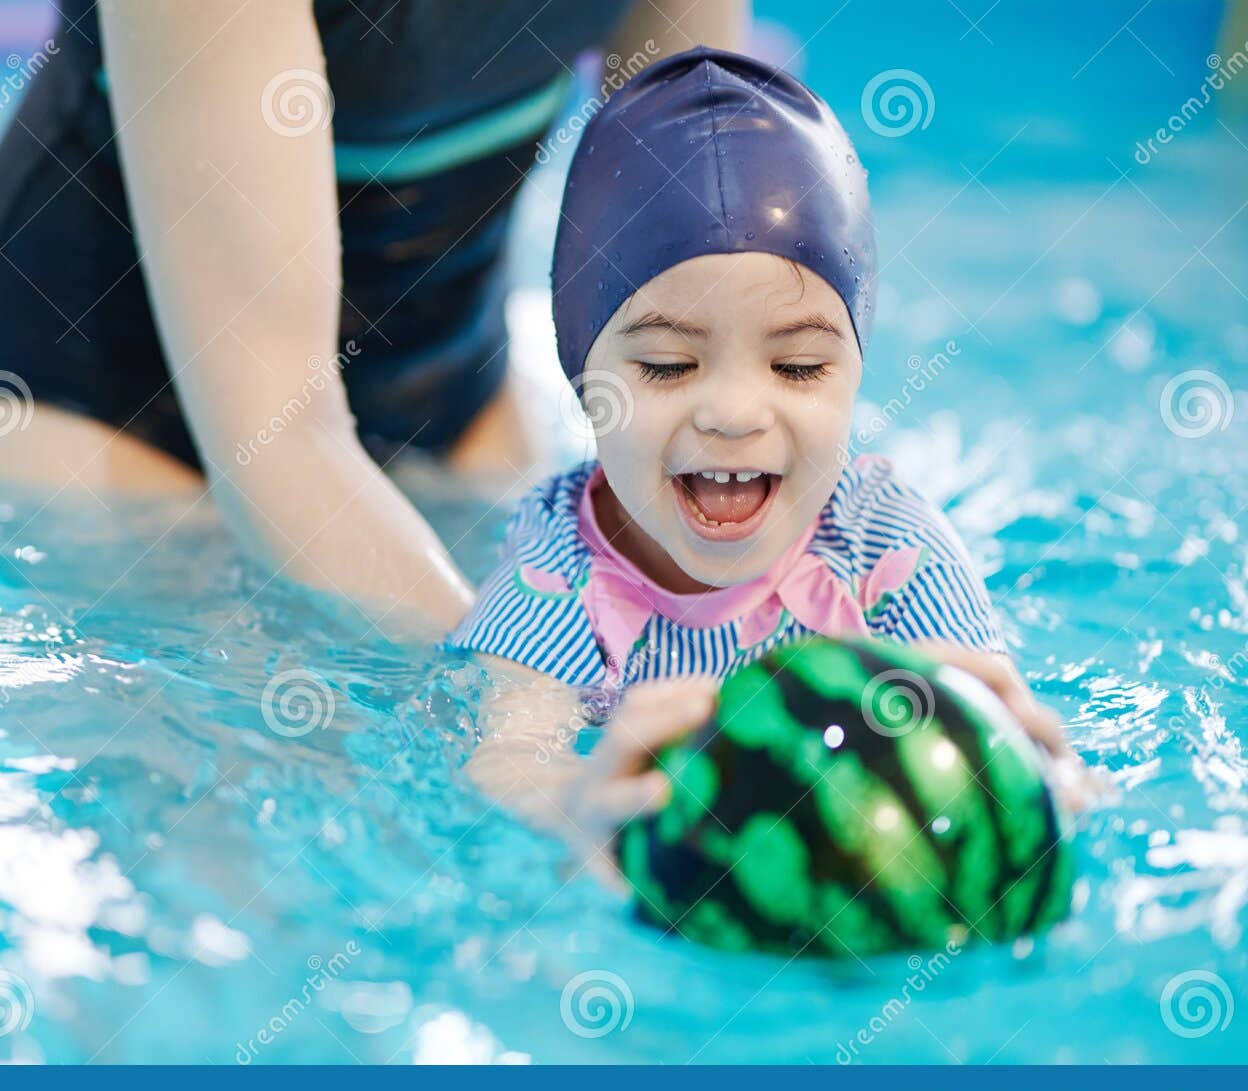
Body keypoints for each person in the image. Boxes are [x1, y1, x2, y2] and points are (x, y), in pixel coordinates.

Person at [448, 48, 1086, 873]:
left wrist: (1020, 767)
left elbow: (987, 702)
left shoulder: (884, 547)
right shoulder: (557, 570)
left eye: (798, 367)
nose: (735, 413)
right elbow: (506, 759)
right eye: (669, 366)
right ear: (583, 379)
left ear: (857, 373)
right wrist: (579, 806)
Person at [0, 0, 749, 633]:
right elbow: (280, 431)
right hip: (110, 433)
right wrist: (549, 691)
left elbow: (702, 301)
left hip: (454, 401)